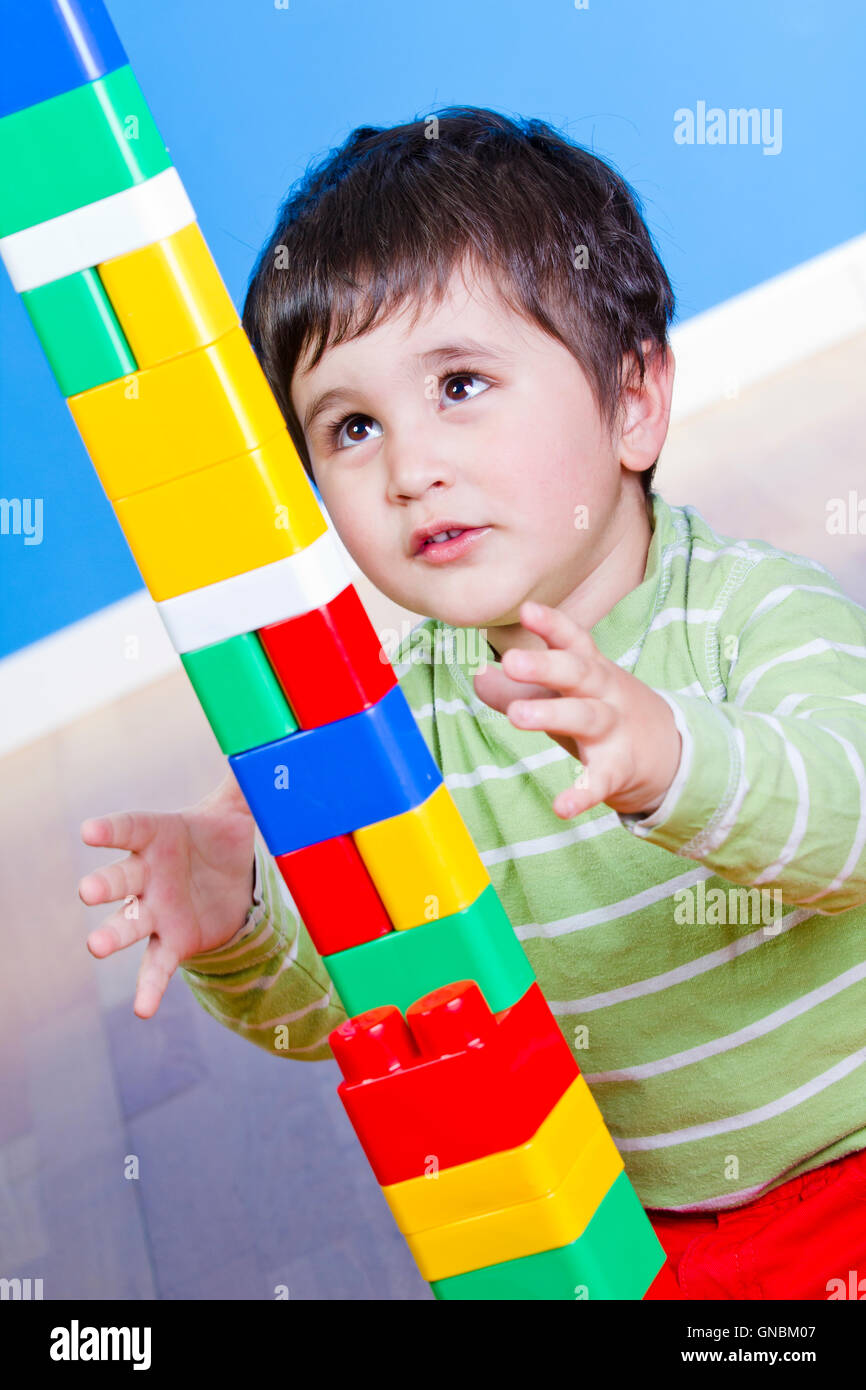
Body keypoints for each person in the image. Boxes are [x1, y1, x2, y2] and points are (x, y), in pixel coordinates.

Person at [78, 108, 866, 1300]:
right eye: (350, 426)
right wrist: (243, 919)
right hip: (651, 1232)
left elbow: (847, 820)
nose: (407, 466)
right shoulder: (391, 722)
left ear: (631, 398)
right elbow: (362, 1002)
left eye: (458, 383)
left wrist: (668, 757)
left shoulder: (756, 612)